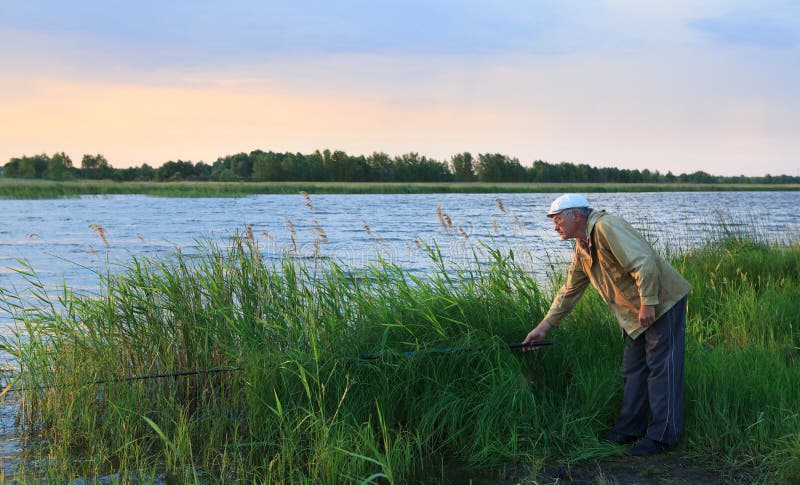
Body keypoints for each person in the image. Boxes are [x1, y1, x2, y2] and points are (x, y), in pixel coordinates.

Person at [523, 194, 691, 456]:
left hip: (661, 301)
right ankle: (629, 430)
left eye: (557, 219)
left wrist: (648, 302)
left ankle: (663, 437)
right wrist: (544, 326)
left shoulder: (605, 227)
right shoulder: (582, 247)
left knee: (662, 368)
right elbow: (569, 291)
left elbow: (643, 262)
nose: (555, 226)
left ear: (575, 215)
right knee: (633, 369)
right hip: (637, 312)